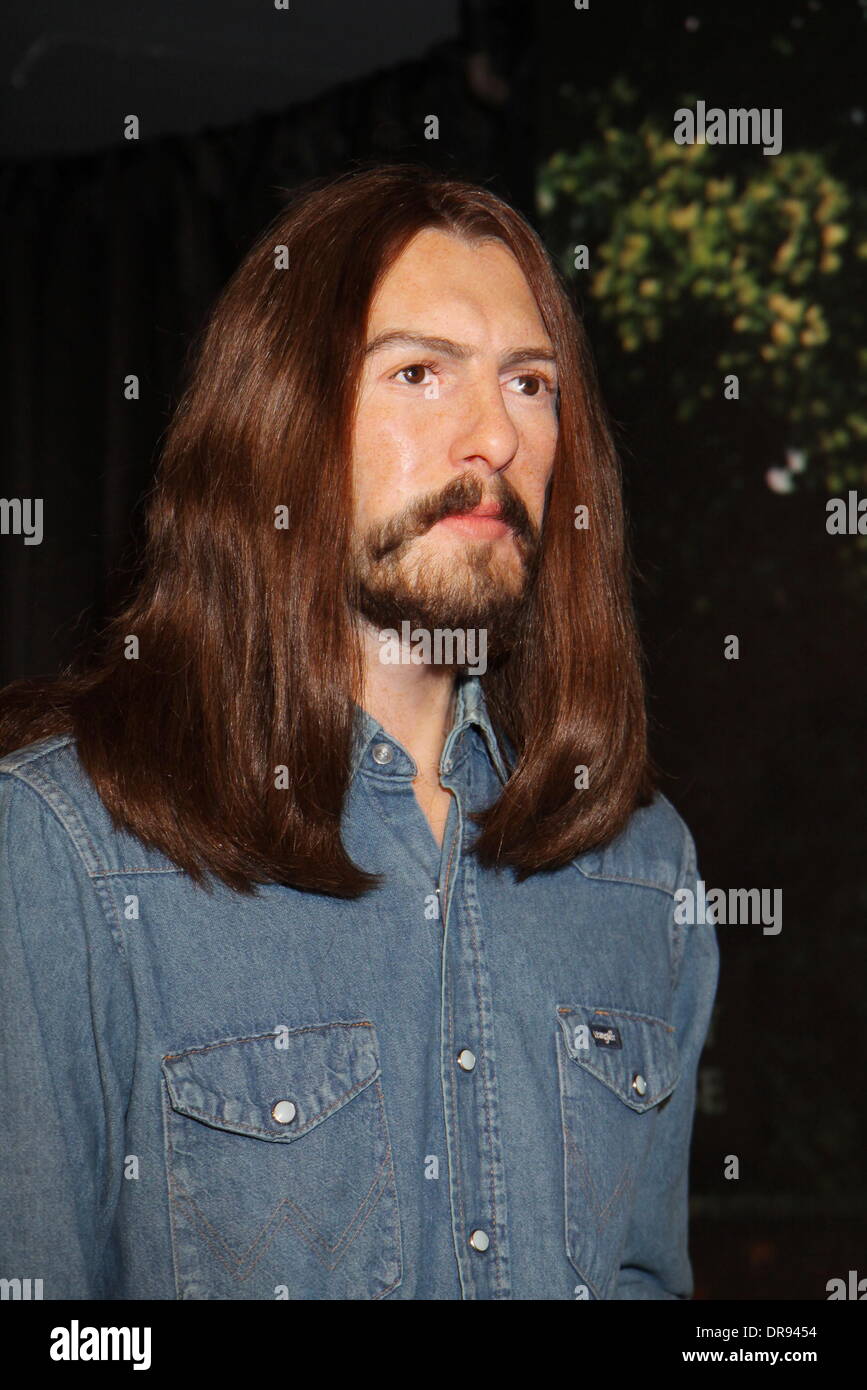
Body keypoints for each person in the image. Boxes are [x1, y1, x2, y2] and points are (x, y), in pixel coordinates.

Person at [0, 163, 718, 1300]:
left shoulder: (640, 863)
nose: (492, 435)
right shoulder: (60, 847)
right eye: (421, 373)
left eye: (531, 384)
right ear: (278, 421)